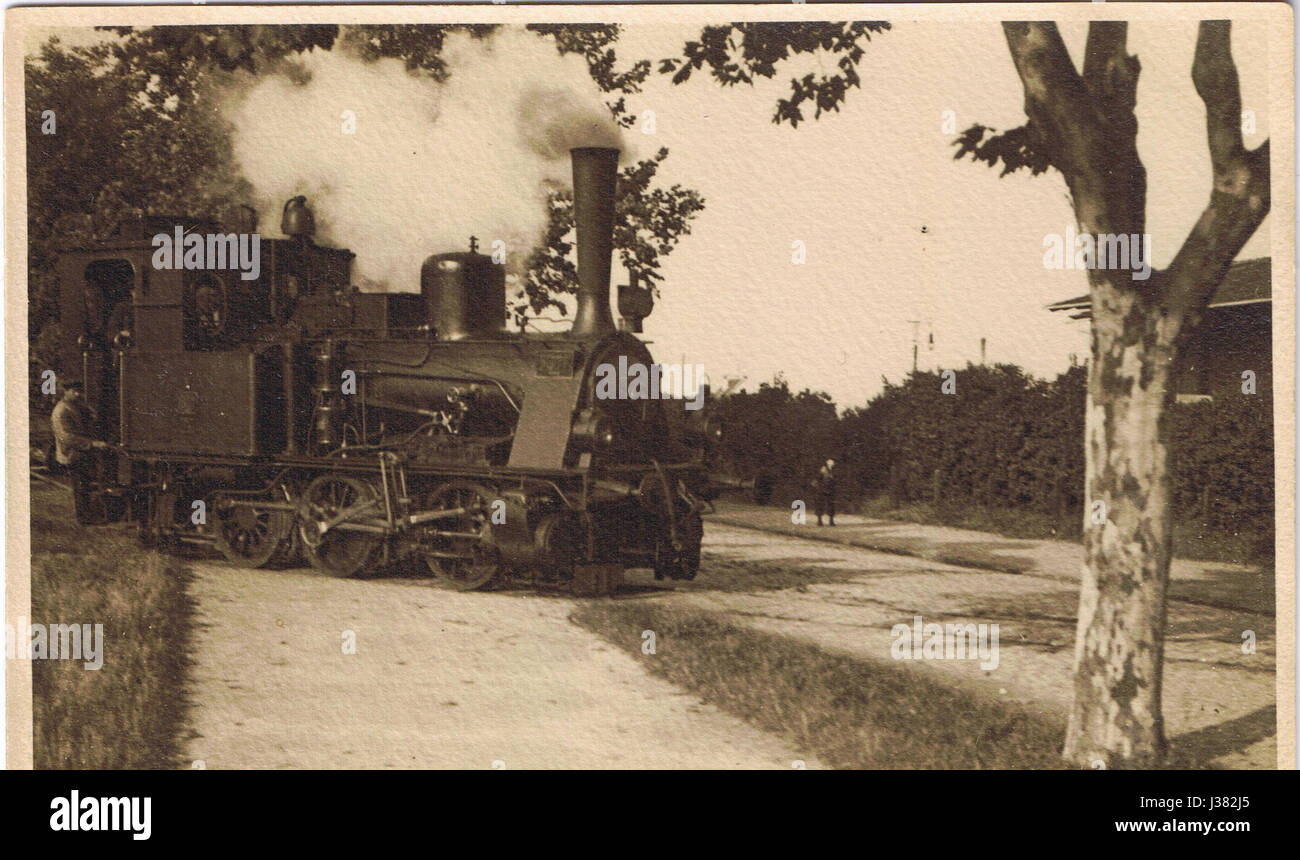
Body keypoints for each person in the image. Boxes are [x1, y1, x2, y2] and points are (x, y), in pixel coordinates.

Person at [51, 381, 108, 523]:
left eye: (78, 391)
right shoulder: (61, 410)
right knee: (81, 487)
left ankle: (89, 514)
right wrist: (92, 443)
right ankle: (84, 518)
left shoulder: (74, 405)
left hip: (80, 452)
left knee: (85, 485)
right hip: (72, 453)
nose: (77, 394)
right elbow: (66, 437)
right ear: (66, 391)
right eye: (73, 391)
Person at [814, 458, 838, 527]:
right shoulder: (823, 470)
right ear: (827, 462)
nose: (832, 463)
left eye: (832, 462)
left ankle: (831, 521)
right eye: (830, 461)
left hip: (831, 490)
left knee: (831, 505)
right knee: (820, 505)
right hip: (822, 490)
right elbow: (818, 479)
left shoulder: (834, 470)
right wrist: (818, 488)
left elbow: (835, 480)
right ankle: (819, 521)